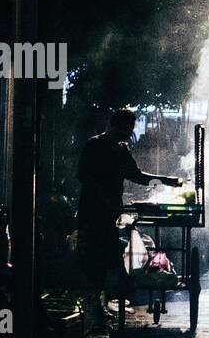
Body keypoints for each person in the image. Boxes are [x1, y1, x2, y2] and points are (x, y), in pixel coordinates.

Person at [76, 108, 182, 324]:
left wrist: (167, 181)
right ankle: (91, 308)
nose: (128, 135)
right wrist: (103, 195)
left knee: (106, 261)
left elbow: (138, 176)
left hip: (110, 215)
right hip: (91, 213)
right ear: (114, 126)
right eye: (127, 130)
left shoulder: (121, 150)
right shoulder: (94, 145)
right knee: (94, 262)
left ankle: (98, 306)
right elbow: (83, 175)